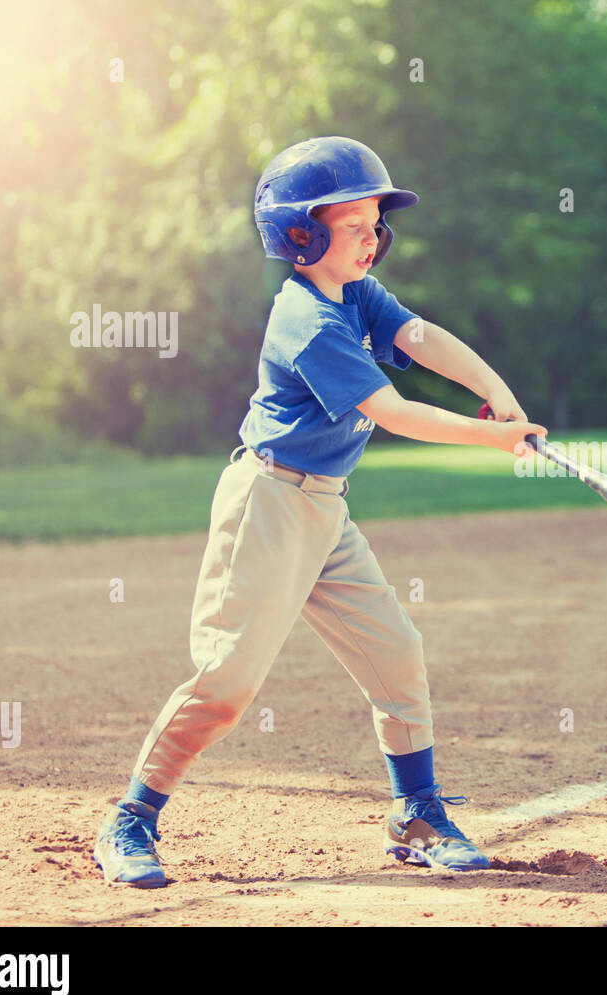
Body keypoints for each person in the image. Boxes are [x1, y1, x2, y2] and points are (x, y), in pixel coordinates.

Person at [92, 136, 547, 887]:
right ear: (300, 234)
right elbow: (393, 411)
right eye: (357, 222)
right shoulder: (308, 319)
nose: (375, 237)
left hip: (325, 507)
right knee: (228, 682)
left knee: (396, 650)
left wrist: (500, 392)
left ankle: (416, 811)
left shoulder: (356, 294)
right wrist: (493, 436)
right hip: (268, 504)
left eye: (379, 222)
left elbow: (423, 338)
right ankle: (129, 820)